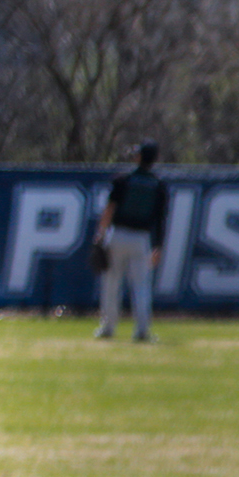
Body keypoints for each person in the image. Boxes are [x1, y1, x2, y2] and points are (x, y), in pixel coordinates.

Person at [94, 141, 168, 342]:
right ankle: (142, 330)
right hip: (141, 238)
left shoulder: (123, 180)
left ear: (138, 157)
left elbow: (110, 209)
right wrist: (158, 246)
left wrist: (100, 233)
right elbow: (160, 219)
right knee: (141, 286)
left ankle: (108, 328)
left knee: (111, 283)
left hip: (118, 235)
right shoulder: (158, 184)